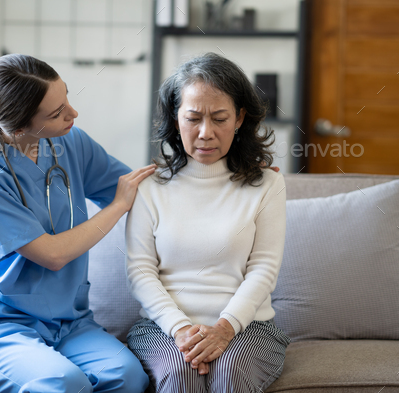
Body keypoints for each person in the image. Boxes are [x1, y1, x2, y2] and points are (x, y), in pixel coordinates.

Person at [0, 54, 152, 393]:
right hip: (1, 326)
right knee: (64, 384)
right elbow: (52, 254)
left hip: (69, 322)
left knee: (128, 378)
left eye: (67, 99)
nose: (73, 114)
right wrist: (117, 207)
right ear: (18, 126)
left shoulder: (70, 142)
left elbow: (142, 190)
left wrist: (235, 174)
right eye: (57, 114)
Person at [125, 52, 292, 392]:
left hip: (248, 326)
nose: (205, 133)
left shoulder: (268, 185)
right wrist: (182, 329)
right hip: (162, 327)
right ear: (175, 119)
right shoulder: (148, 187)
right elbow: (140, 271)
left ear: (240, 118)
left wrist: (224, 329)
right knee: (180, 371)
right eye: (193, 118)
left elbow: (263, 268)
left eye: (219, 118)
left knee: (230, 374)